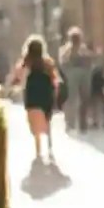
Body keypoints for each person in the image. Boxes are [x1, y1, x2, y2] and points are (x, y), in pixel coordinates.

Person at [11, 35, 61, 163]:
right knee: (47, 119)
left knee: (33, 120)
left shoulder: (26, 61)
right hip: (45, 91)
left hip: (32, 92)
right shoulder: (47, 62)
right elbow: (55, 78)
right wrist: (56, 91)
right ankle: (49, 146)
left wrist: (13, 85)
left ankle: (38, 150)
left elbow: (17, 77)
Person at [58, 28, 93, 132]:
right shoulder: (66, 50)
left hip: (83, 77)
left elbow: (90, 60)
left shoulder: (83, 49)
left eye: (77, 38)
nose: (76, 40)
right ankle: (70, 123)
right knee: (71, 100)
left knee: (84, 100)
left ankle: (82, 124)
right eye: (74, 38)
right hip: (72, 77)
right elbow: (63, 63)